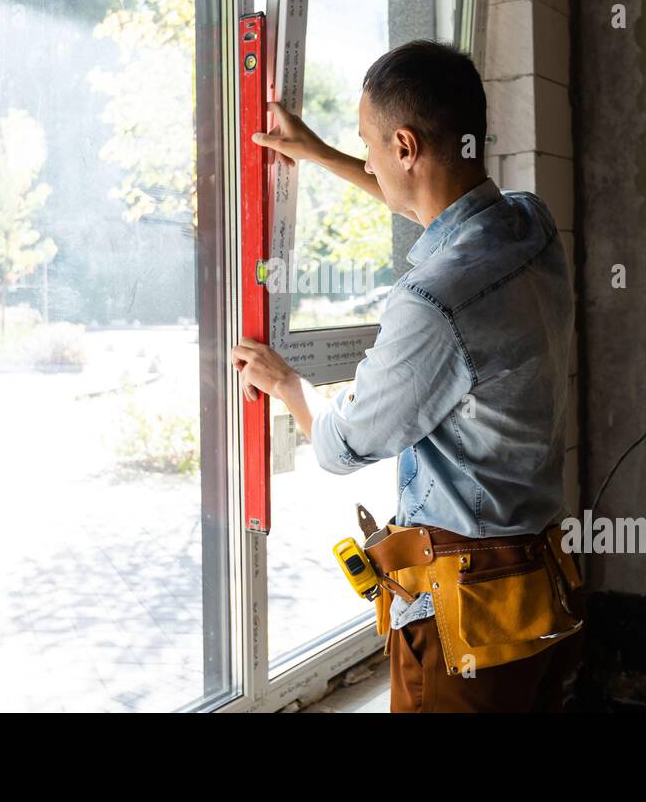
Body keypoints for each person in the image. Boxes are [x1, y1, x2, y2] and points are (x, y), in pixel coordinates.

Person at [231, 39, 581, 712]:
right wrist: (319, 155)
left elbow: (342, 445)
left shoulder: (433, 303)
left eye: (368, 144)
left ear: (405, 146)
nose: (366, 159)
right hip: (540, 598)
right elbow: (435, 211)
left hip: (465, 631)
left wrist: (289, 388)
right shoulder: (530, 224)